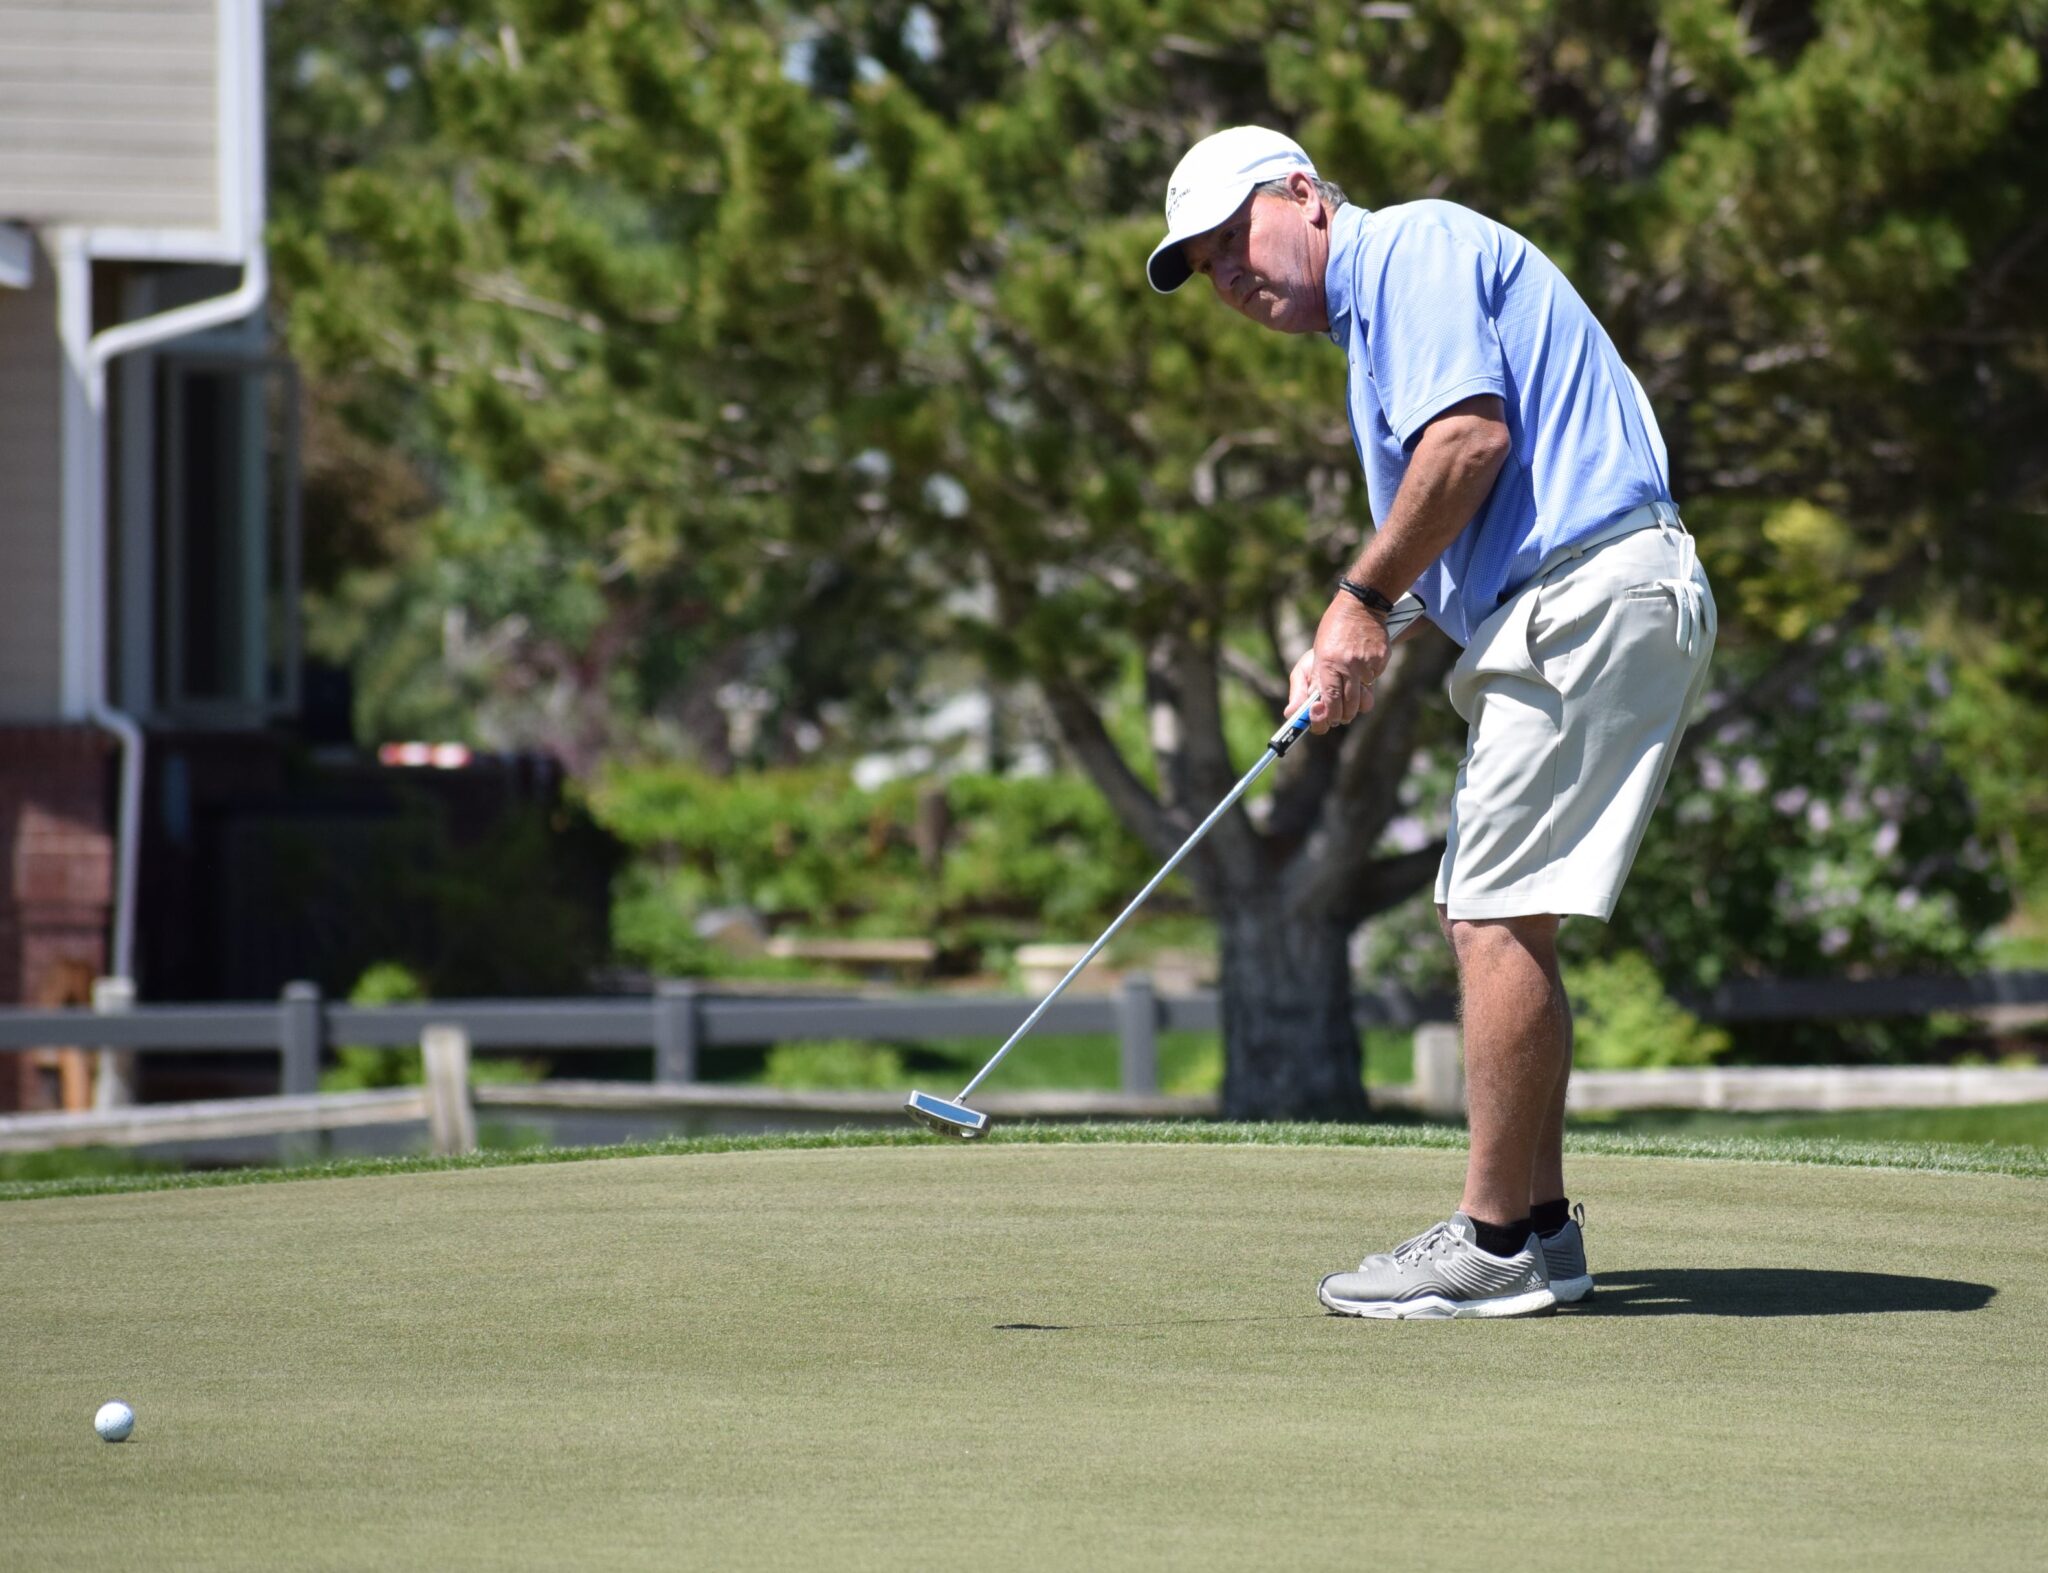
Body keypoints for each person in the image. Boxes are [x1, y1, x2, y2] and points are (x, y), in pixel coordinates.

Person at [1148, 126, 1715, 1319]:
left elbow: (1467, 443)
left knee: (1488, 913)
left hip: (1584, 593)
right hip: (1579, 594)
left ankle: (1488, 1243)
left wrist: (1356, 600)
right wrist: (1359, 632)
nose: (1228, 277)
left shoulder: (1408, 248)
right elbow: (1470, 510)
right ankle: (1542, 1232)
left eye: (1233, 237)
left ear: (1301, 192)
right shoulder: (1375, 327)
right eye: (1204, 268)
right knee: (1506, 910)